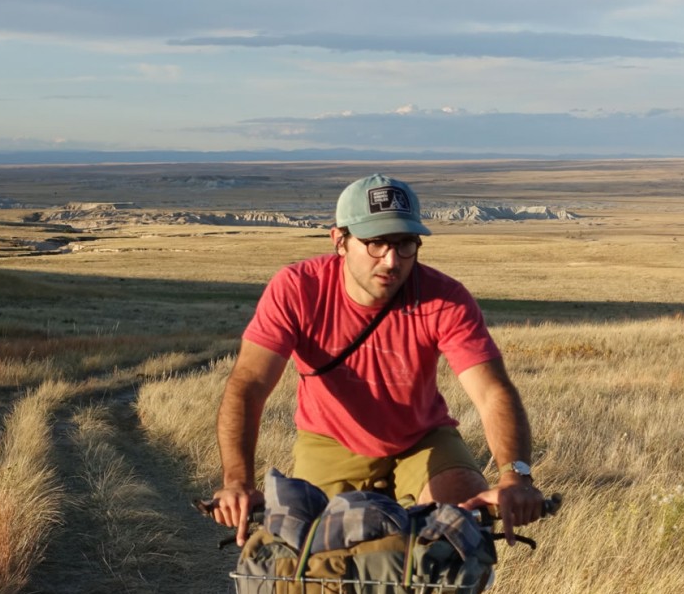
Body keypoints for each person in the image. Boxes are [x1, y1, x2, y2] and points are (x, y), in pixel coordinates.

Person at [211, 174, 545, 547]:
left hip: (423, 439)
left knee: (457, 530)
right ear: (340, 240)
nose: (392, 261)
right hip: (330, 440)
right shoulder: (297, 289)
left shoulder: (445, 298)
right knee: (308, 555)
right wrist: (238, 483)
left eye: (405, 245)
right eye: (376, 244)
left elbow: (491, 392)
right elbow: (249, 384)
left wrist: (515, 476)